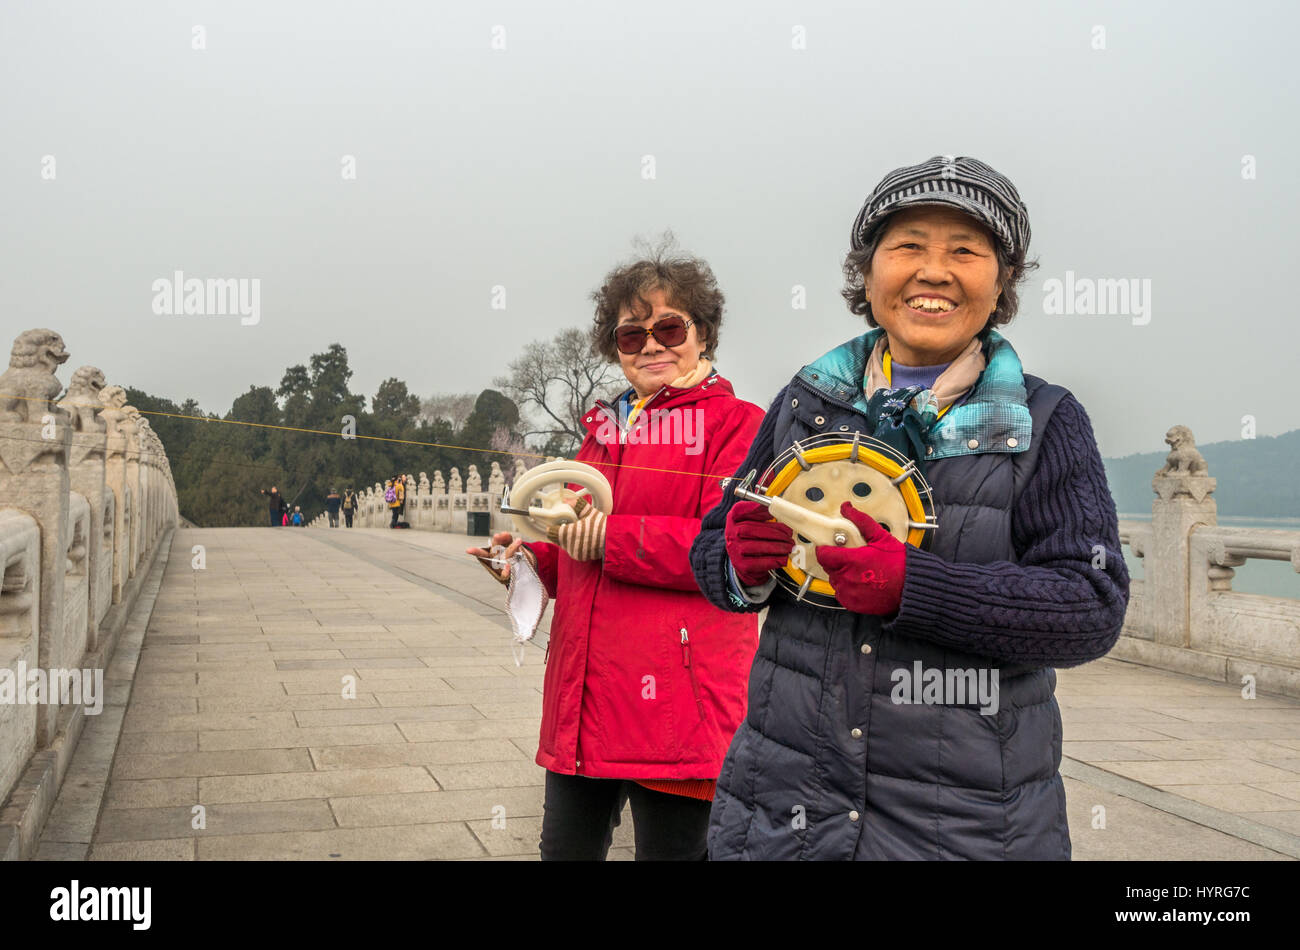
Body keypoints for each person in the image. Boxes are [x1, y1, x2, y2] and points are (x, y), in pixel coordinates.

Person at [690, 156, 1131, 861]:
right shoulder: (808, 403)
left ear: (1002, 280)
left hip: (966, 829)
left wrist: (916, 587)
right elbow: (712, 552)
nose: (934, 270)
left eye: (965, 250)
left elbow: (1090, 605)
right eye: (908, 246)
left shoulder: (1043, 420)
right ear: (867, 275)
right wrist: (742, 565)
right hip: (783, 810)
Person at [467, 246, 765, 860]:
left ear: (702, 333)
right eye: (632, 335)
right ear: (615, 348)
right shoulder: (601, 432)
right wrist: (532, 561)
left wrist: (612, 537)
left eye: (669, 328)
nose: (651, 345)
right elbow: (580, 545)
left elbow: (733, 553)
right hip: (583, 701)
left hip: (678, 708)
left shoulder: (740, 425)